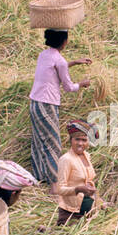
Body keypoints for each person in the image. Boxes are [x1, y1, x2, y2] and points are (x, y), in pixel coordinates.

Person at [29, 28, 91, 184]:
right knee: (53, 144)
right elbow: (69, 87)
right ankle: (55, 181)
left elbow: (55, 67)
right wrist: (81, 84)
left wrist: (75, 62)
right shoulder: (60, 61)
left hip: (35, 103)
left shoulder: (43, 55)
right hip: (47, 105)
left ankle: (39, 176)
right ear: (64, 41)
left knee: (38, 141)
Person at [54, 120, 98, 226]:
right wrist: (78, 189)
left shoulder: (87, 156)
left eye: (84, 140)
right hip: (71, 212)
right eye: (77, 139)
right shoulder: (66, 159)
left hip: (88, 211)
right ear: (71, 140)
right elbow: (60, 189)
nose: (80, 143)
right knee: (65, 234)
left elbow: (89, 181)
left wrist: (98, 200)